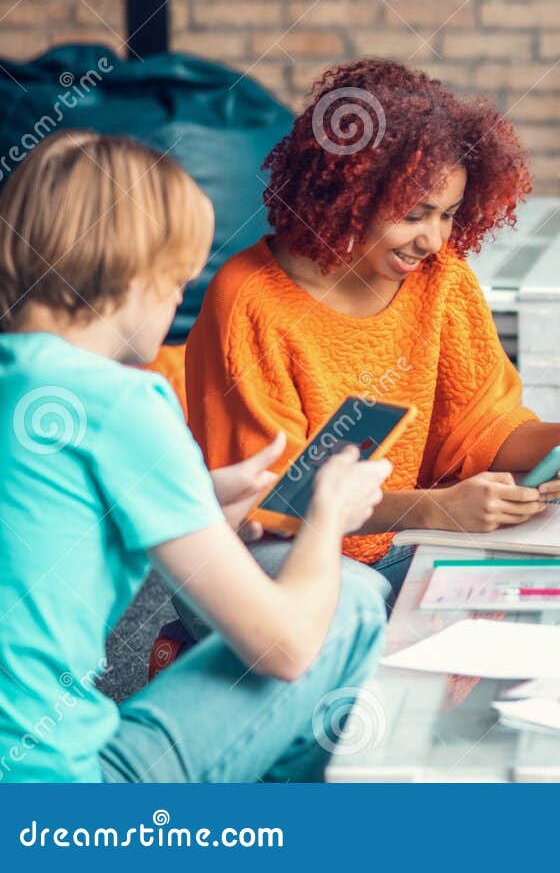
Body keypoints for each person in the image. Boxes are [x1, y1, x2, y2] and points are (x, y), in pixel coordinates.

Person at [0, 131, 390, 782]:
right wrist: (329, 513)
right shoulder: (121, 399)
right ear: (137, 274)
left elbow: (38, 539)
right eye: (178, 277)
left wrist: (195, 499)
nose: (180, 297)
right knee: (349, 600)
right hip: (56, 793)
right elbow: (286, 646)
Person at [183, 60, 560, 615]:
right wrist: (431, 510)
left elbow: (479, 427)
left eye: (448, 215)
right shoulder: (249, 299)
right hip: (277, 553)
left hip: (405, 541)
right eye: (412, 215)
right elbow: (266, 501)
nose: (433, 239)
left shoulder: (441, 277)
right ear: (347, 193)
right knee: (359, 597)